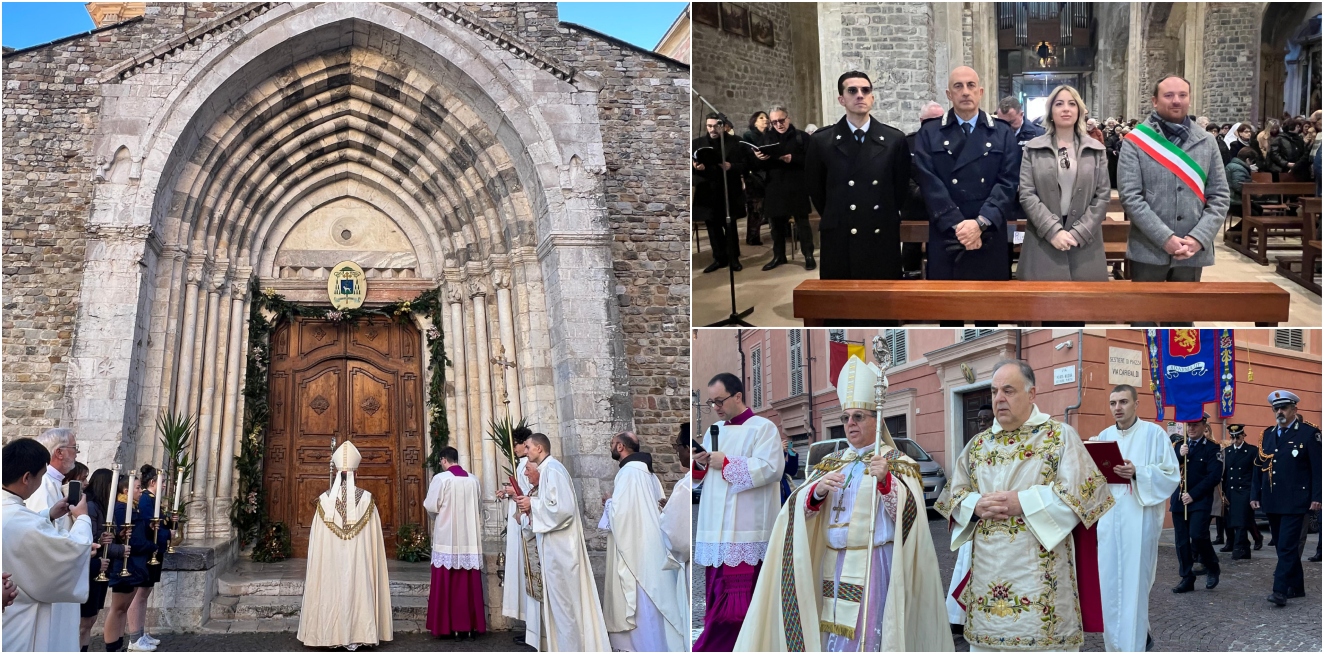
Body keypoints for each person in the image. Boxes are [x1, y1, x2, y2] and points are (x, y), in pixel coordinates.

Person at [735, 356, 953, 652]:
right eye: (845, 417)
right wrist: (818, 491)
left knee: (867, 635)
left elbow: (909, 518)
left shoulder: (897, 462)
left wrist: (886, 481)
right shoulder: (831, 463)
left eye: (858, 416)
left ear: (877, 420)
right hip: (831, 563)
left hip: (874, 562)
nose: (850, 423)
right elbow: (797, 509)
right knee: (832, 635)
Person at [935, 360, 1113, 651]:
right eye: (994, 392)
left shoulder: (1059, 437)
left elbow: (1087, 495)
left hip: (1039, 576)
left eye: (1008, 390)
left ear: (1032, 394)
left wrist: (1025, 502)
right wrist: (975, 504)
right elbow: (952, 497)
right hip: (987, 580)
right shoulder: (978, 445)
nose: (999, 399)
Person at [1117, 76, 1230, 307]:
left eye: (1182, 95)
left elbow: (1219, 196)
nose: (1176, 101)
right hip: (1149, 249)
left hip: (1191, 251)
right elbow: (1130, 197)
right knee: (1143, 319)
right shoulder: (1136, 141)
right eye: (1168, 95)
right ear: (1155, 101)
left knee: (1182, 322)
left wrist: (1198, 238)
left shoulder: (1207, 141)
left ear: (1189, 99)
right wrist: (1164, 238)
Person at [691, 372, 784, 651]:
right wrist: (701, 463)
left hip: (746, 532)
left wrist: (728, 461)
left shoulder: (763, 428)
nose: (716, 407)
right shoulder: (713, 431)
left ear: (738, 396)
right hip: (714, 531)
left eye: (719, 401)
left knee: (734, 612)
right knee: (715, 601)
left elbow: (771, 469)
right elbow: (701, 477)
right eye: (711, 402)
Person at [1089, 385, 1180, 652]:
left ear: (1136, 404)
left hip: (1138, 519)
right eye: (1113, 402)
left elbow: (1171, 474)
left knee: (1135, 584)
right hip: (1109, 519)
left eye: (1123, 402)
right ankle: (1114, 644)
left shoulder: (1154, 435)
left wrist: (1137, 471)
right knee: (1109, 583)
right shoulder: (1103, 436)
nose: (1117, 407)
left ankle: (1135, 644)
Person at [913, 67, 1022, 281]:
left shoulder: (1002, 133)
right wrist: (959, 226)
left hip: (988, 231)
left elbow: (1008, 182)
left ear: (980, 92)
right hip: (948, 232)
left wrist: (980, 223)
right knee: (949, 308)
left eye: (971, 86)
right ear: (949, 94)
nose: (965, 92)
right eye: (958, 86)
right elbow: (928, 182)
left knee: (989, 308)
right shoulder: (930, 133)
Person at [804, 71, 910, 281]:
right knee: (843, 304)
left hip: (880, 232)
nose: (860, 95)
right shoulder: (822, 141)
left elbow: (900, 188)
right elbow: (816, 188)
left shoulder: (893, 140)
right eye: (852, 90)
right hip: (841, 233)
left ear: (872, 96)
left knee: (882, 302)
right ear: (841, 99)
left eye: (866, 90)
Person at [514, 432, 611, 652]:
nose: (525, 451)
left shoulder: (553, 470)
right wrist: (533, 505)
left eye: (528, 447)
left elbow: (564, 509)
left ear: (539, 448)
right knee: (561, 607)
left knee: (566, 608)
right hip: (553, 549)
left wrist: (533, 504)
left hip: (562, 552)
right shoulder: (548, 470)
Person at [2, 438, 96, 652]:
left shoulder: (10, 511)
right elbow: (72, 551)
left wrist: (48, 515)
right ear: (27, 478)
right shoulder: (20, 520)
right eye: (41, 476)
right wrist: (82, 518)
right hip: (19, 617)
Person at [296, 441, 393, 649]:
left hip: (330, 563)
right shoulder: (367, 501)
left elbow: (317, 542)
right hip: (359, 563)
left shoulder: (323, 502)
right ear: (356, 474)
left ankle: (328, 634)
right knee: (358, 585)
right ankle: (361, 632)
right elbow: (374, 541)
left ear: (338, 473)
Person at [600, 432, 687, 652]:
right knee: (654, 604)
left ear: (620, 447)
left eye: (612, 444)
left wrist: (609, 502)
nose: (611, 447)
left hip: (635, 551)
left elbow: (622, 516)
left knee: (642, 606)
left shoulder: (628, 474)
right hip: (652, 547)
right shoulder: (650, 475)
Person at [1016, 84, 1111, 282]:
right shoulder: (1033, 149)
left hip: (1085, 241)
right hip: (1043, 238)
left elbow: (1102, 195)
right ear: (1051, 111)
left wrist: (1080, 232)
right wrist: (1053, 231)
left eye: (1071, 104)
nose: (1066, 109)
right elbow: (1026, 193)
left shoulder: (1096, 149)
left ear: (1079, 111)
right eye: (1059, 104)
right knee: (1041, 308)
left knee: (1084, 309)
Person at [1251, 390, 1321, 606]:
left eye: (1284, 408)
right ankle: (1297, 587)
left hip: (1296, 500)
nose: (1279, 412)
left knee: (1288, 546)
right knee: (1283, 546)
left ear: (1294, 410)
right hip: (1272, 500)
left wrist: (1317, 497)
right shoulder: (1268, 434)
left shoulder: (1309, 434)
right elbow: (1259, 466)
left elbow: (1318, 469)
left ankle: (1280, 590)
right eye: (1276, 408)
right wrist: (1255, 494)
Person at [24, 428, 83, 651]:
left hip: (60, 574)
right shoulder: (42, 487)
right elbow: (40, 537)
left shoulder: (53, 484)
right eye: (74, 448)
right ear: (59, 452)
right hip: (50, 578)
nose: (76, 454)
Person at [424, 447, 485, 640]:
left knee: (446, 582)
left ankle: (446, 627)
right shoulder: (474, 480)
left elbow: (431, 506)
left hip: (446, 540)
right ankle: (468, 626)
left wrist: (440, 519)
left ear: (443, 460)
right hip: (469, 540)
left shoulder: (441, 479)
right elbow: (479, 507)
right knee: (467, 583)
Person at [944, 403, 996, 634]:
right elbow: (957, 486)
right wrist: (968, 504)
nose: (982, 423)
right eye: (980, 419)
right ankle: (959, 617)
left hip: (998, 519)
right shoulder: (973, 447)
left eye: (986, 419)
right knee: (965, 566)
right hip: (975, 516)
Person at [755, 105, 815, 271]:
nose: (778, 125)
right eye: (774, 122)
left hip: (797, 185)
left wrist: (793, 158)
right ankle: (779, 256)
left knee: (802, 224)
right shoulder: (766, 139)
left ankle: (808, 255)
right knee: (776, 225)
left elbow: (811, 161)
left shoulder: (801, 137)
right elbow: (758, 165)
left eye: (781, 120)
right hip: (774, 186)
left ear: (788, 118)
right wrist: (759, 157)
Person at [1169, 414, 1221, 593]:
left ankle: (1212, 565)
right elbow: (1167, 468)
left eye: (1195, 425)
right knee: (1182, 541)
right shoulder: (1178, 446)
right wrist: (1178, 455)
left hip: (1199, 500)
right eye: (1188, 425)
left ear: (1204, 426)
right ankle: (1187, 577)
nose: (1191, 428)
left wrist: (1193, 494)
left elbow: (1214, 475)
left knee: (1198, 535)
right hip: (1179, 500)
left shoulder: (1212, 448)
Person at [498, 426, 538, 647]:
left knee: (526, 571)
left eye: (516, 444)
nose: (513, 448)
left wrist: (512, 492)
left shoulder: (530, 464)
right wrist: (508, 491)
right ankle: (529, 627)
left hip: (524, 523)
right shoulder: (522, 463)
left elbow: (529, 492)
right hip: (519, 522)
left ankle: (532, 628)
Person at [996, 96, 1045, 274]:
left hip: (1030, 200)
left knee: (1029, 242)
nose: (1006, 127)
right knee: (1004, 244)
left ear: (1022, 114)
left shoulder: (1038, 135)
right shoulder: (994, 134)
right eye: (1002, 123)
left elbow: (1044, 168)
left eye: (1011, 122)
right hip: (1005, 200)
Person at [695, 112, 748, 273]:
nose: (712, 129)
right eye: (709, 126)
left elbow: (746, 165)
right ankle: (719, 259)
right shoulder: (697, 143)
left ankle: (733, 259)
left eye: (716, 126)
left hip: (729, 190)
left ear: (723, 126)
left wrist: (731, 166)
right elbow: (689, 168)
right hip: (708, 192)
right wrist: (696, 167)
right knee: (713, 227)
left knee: (730, 226)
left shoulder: (736, 142)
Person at [125, 466, 169, 652]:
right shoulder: (145, 500)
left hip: (154, 551)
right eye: (163, 482)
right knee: (139, 594)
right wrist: (167, 533)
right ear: (153, 482)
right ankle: (134, 638)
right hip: (147, 550)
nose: (165, 485)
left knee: (145, 593)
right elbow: (149, 526)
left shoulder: (151, 500)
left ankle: (141, 633)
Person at [902, 102, 947, 278]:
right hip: (914, 208)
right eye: (931, 120)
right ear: (921, 120)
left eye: (940, 119)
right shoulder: (908, 143)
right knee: (911, 250)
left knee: (939, 252)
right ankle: (910, 278)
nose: (936, 124)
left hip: (941, 209)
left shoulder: (951, 143)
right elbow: (904, 177)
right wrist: (927, 195)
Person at [80, 469, 118, 653]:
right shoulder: (92, 505)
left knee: (91, 619)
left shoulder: (102, 506)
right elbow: (88, 537)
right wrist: (102, 540)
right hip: (93, 566)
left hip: (101, 566)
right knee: (85, 621)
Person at [1221, 425, 1262, 559]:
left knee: (1241, 520)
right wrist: (1223, 492)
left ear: (1243, 435)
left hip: (1245, 490)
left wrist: (1254, 493)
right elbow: (1225, 474)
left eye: (1237, 437)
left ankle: (1240, 548)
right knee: (1232, 520)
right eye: (1232, 437)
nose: (1235, 440)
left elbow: (1255, 473)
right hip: (1231, 490)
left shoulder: (1251, 451)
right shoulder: (1227, 451)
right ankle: (1243, 546)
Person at [660, 426, 692, 597]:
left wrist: (667, 515)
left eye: (677, 446)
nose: (676, 452)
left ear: (687, 448)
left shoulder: (685, 485)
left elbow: (677, 538)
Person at [742, 111, 769, 246]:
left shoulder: (770, 135)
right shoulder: (749, 136)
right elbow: (747, 155)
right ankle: (753, 236)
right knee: (755, 208)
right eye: (761, 118)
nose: (766, 120)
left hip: (768, 174)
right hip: (754, 176)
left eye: (766, 118)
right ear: (755, 121)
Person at [777, 431, 799, 505]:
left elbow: (791, 471)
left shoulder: (779, 455)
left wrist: (792, 456)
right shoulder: (768, 454)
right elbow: (774, 467)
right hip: (775, 494)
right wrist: (779, 451)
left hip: (785, 493)